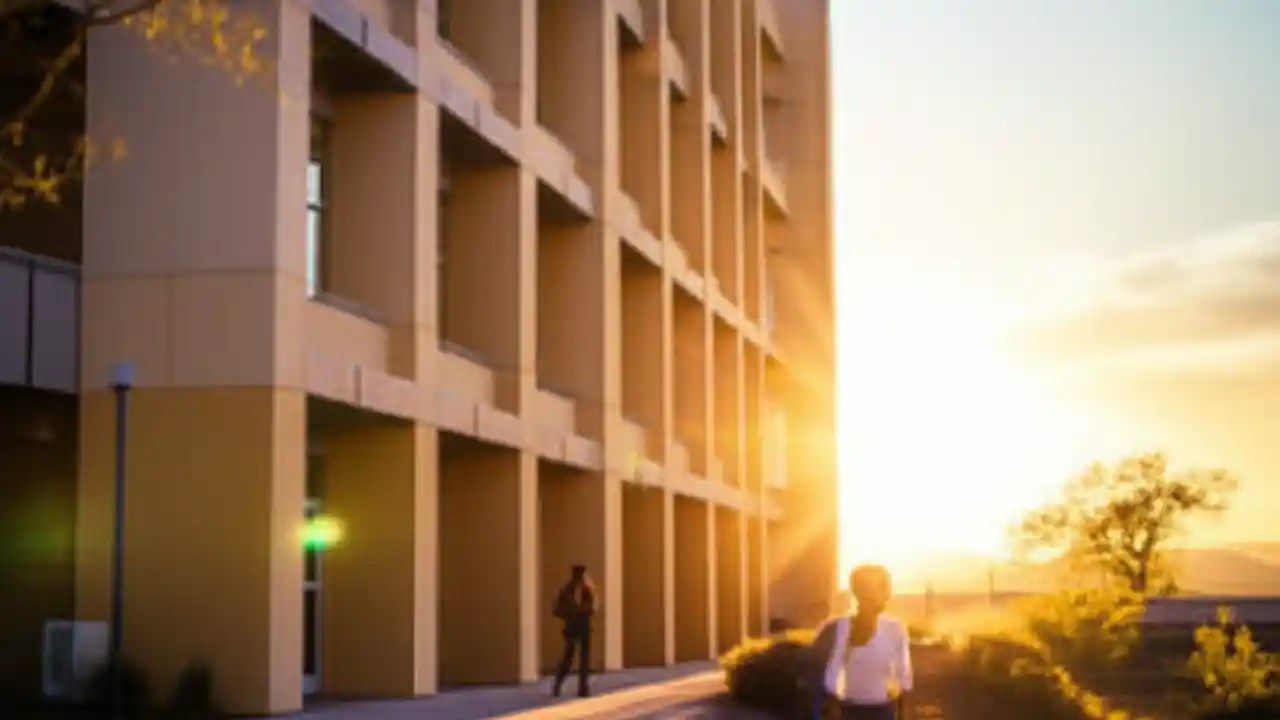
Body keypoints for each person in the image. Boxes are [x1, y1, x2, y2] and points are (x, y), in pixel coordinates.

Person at [810, 564, 913, 720]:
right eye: (882, 587)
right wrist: (831, 706)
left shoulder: (895, 628)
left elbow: (903, 674)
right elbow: (825, 672)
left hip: (884, 711)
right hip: (849, 711)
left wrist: (902, 711)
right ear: (860, 591)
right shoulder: (838, 628)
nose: (888, 594)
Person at [552, 564, 596, 698]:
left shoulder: (588, 590)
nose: (581, 579)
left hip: (584, 628)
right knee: (568, 659)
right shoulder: (567, 590)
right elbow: (557, 610)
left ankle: (583, 688)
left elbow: (593, 607)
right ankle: (558, 683)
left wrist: (584, 609)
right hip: (571, 627)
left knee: (584, 660)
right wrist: (570, 612)